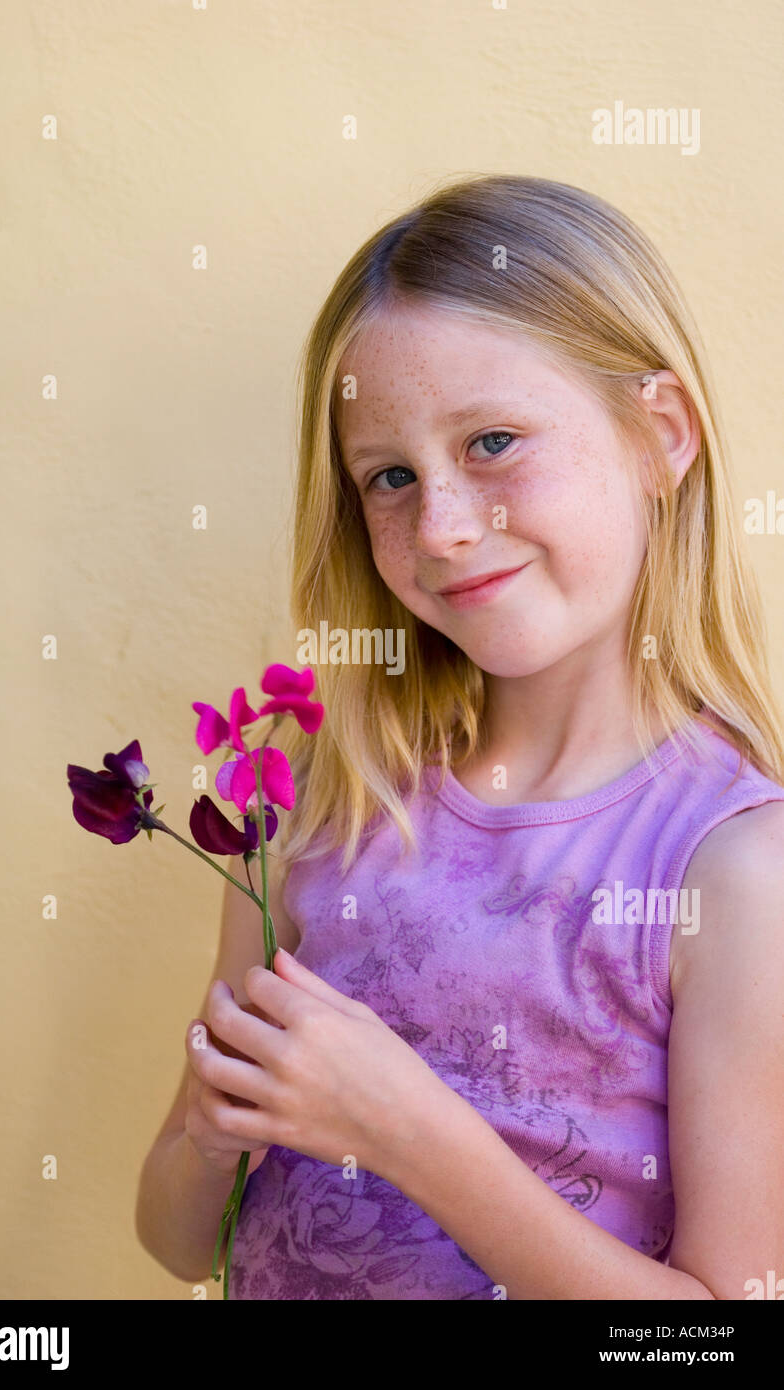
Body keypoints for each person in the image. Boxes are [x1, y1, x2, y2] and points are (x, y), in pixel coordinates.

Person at [136, 174, 784, 1299]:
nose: (439, 527)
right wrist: (209, 1129)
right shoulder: (322, 813)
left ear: (658, 436)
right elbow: (176, 1238)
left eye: (491, 441)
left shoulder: (729, 869)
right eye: (388, 476)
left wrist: (409, 1133)